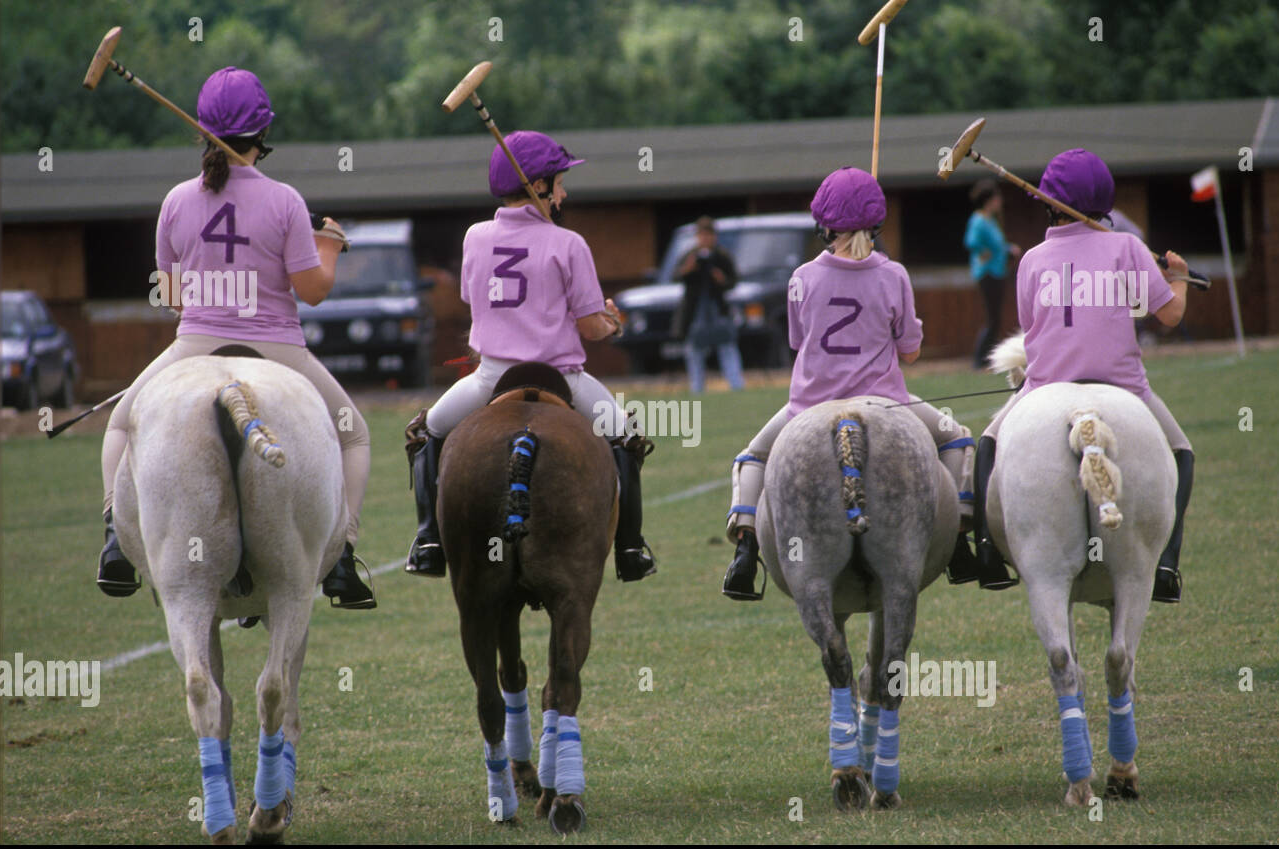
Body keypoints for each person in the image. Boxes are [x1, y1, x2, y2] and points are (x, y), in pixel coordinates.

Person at [96, 66, 376, 610]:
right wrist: (332, 243)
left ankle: (114, 540)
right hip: (278, 349)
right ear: (262, 133)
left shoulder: (176, 201)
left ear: (203, 132)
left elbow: (172, 296)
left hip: (195, 345)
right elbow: (313, 291)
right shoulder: (286, 201)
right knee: (355, 435)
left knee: (122, 424)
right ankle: (342, 556)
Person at [403, 130, 656, 583]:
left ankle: (428, 541)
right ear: (537, 186)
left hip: (492, 377)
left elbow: (472, 299)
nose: (563, 192)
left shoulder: (474, 237)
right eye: (558, 183)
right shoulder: (569, 243)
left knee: (427, 433)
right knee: (625, 438)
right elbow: (591, 327)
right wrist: (614, 322)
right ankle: (631, 548)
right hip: (563, 378)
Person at [722, 167, 979, 599]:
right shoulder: (894, 274)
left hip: (810, 404)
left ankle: (745, 553)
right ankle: (958, 541)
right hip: (886, 401)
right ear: (875, 222)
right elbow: (910, 351)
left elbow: (797, 341)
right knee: (959, 439)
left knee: (751, 458)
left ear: (825, 225)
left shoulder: (801, 277)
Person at [972, 148, 1193, 603]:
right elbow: (1170, 314)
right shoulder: (1129, 248)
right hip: (1123, 386)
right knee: (1183, 453)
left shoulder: (1032, 259)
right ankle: (1167, 564)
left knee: (988, 446)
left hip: (1045, 386)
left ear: (1051, 203)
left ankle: (988, 552)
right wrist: (1181, 279)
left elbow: (1030, 325)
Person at [670, 217, 744, 394]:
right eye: (701, 235)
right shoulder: (690, 256)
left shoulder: (721, 256)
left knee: (727, 346)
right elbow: (675, 276)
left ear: (714, 236)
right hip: (695, 312)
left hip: (718, 310)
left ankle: (736, 385)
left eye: (708, 235)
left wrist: (722, 280)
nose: (705, 239)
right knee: (694, 351)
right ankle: (697, 389)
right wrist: (687, 270)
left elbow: (733, 280)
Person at [964, 180, 1020, 369]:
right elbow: (971, 242)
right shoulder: (979, 220)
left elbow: (997, 245)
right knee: (992, 318)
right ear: (989, 200)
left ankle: (987, 360)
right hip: (987, 272)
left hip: (998, 270)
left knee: (995, 319)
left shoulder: (991, 221)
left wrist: (1008, 249)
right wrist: (983, 251)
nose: (999, 202)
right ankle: (979, 360)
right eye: (996, 198)